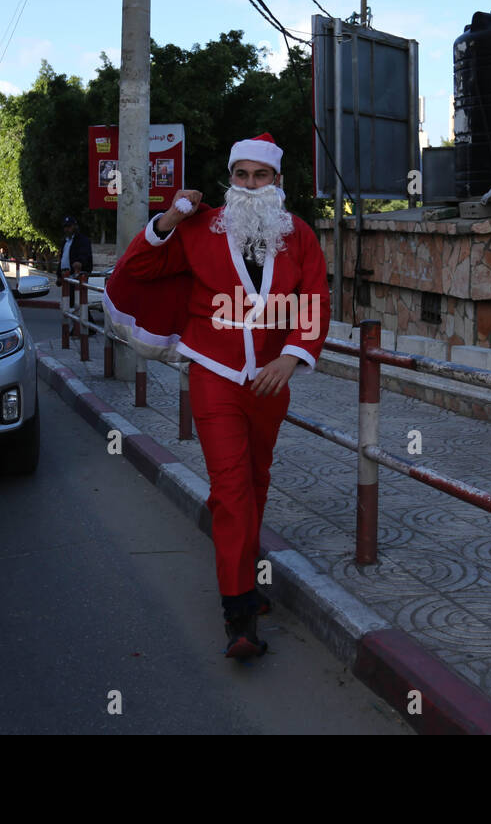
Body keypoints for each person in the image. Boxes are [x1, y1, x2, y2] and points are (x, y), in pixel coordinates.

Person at [106, 133, 331, 659]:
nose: (251, 185)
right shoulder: (201, 228)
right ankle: (240, 615)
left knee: (255, 480)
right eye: (241, 175)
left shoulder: (297, 235)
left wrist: (294, 356)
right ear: (229, 180)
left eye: (262, 175)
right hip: (214, 372)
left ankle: (245, 578)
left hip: (272, 378)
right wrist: (167, 220)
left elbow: (316, 299)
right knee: (231, 488)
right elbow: (137, 269)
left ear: (279, 181)